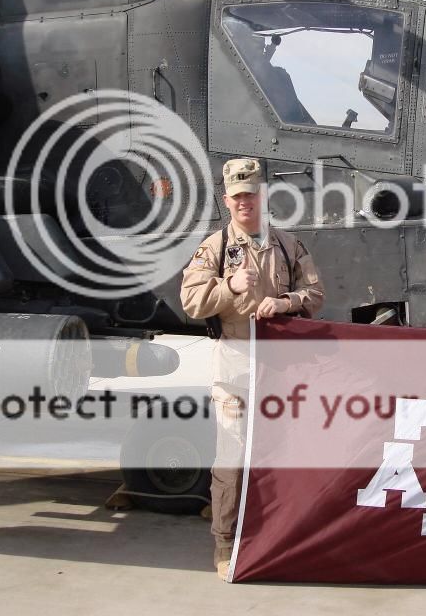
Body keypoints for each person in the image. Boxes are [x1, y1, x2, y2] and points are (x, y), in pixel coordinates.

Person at [180, 158, 324, 581]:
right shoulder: (215, 248)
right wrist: (229, 287)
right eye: (238, 196)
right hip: (236, 367)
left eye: (252, 194)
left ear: (263, 197)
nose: (246, 202)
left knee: (280, 457)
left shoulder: (287, 245)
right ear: (228, 201)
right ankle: (225, 545)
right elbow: (190, 302)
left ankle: (272, 537)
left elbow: (315, 294)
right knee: (231, 458)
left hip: (280, 372)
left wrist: (285, 303)